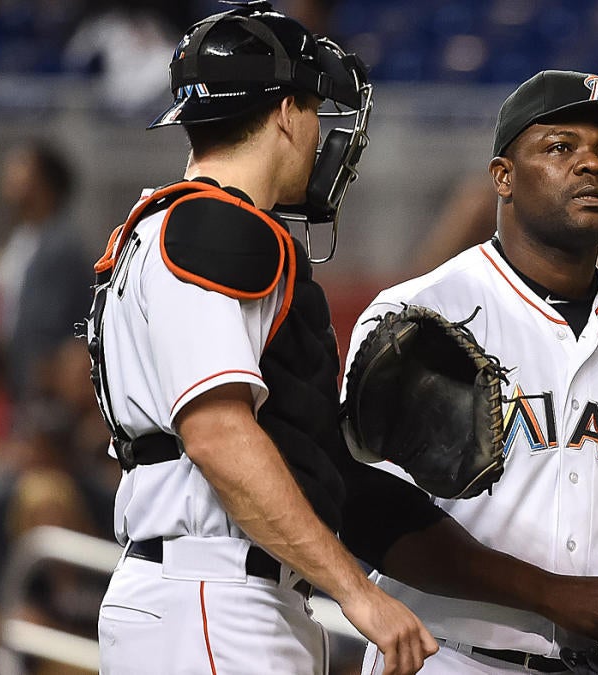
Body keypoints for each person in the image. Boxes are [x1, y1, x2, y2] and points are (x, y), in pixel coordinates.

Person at [85, 4, 439, 673]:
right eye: (314, 108)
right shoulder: (214, 225)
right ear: (286, 113)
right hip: (212, 592)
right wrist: (358, 592)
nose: (318, 131)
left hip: (202, 592)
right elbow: (217, 433)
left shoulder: (168, 222)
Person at [343, 69, 598, 673]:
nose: (592, 164)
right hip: (445, 657)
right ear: (504, 177)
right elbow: (369, 510)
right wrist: (552, 595)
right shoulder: (418, 316)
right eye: (561, 146)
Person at [0, 140, 90, 401]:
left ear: (44, 183)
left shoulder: (60, 247)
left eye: (21, 166)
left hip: (41, 389)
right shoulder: (24, 238)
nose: (10, 173)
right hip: (17, 377)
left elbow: (48, 326)